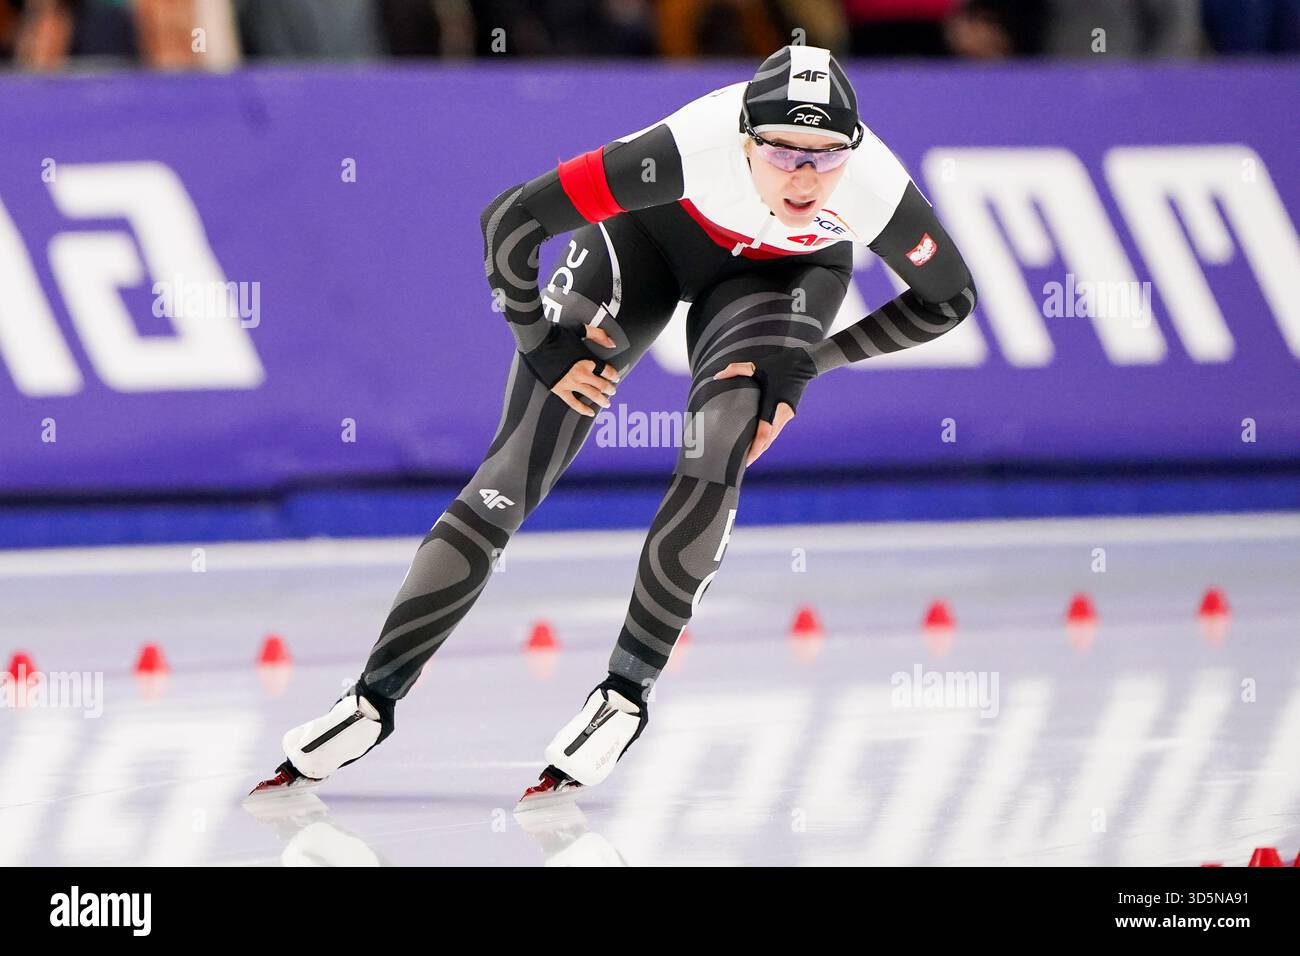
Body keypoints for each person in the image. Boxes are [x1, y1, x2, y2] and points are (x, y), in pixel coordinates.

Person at [250, 45, 977, 806]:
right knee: (514, 470)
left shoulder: (872, 188)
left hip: (781, 280)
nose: (804, 177)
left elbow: (948, 299)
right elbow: (510, 219)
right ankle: (371, 699)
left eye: (825, 158)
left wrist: (811, 364)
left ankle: (624, 695)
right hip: (652, 241)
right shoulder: (681, 151)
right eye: (783, 152)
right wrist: (541, 339)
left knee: (723, 430)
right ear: (742, 139)